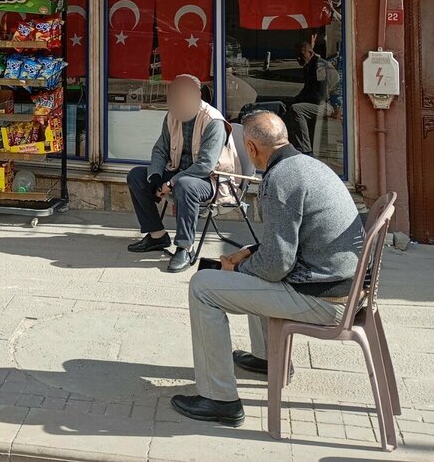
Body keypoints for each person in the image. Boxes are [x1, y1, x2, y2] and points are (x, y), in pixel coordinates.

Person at [171, 110, 364, 427]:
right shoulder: (310, 166)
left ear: (251, 147)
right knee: (252, 265)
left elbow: (277, 266)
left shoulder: (279, 180)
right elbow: (290, 245)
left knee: (203, 287)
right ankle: (266, 360)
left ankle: (220, 400)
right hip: (341, 288)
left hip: (324, 300)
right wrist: (249, 253)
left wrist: (236, 271)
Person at [126, 74, 238, 274]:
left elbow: (205, 165)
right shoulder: (172, 115)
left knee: (186, 185)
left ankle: (185, 247)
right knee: (136, 176)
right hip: (177, 171)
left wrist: (173, 182)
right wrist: (156, 178)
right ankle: (157, 235)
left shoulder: (213, 121)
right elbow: (160, 149)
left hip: (211, 180)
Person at [285, 39, 329, 155]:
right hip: (317, 103)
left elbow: (319, 95)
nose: (298, 59)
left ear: (310, 53)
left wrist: (299, 100)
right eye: (296, 56)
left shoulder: (320, 66)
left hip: (328, 105)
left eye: (301, 55)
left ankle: (305, 150)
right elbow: (307, 90)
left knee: (297, 109)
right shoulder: (308, 66)